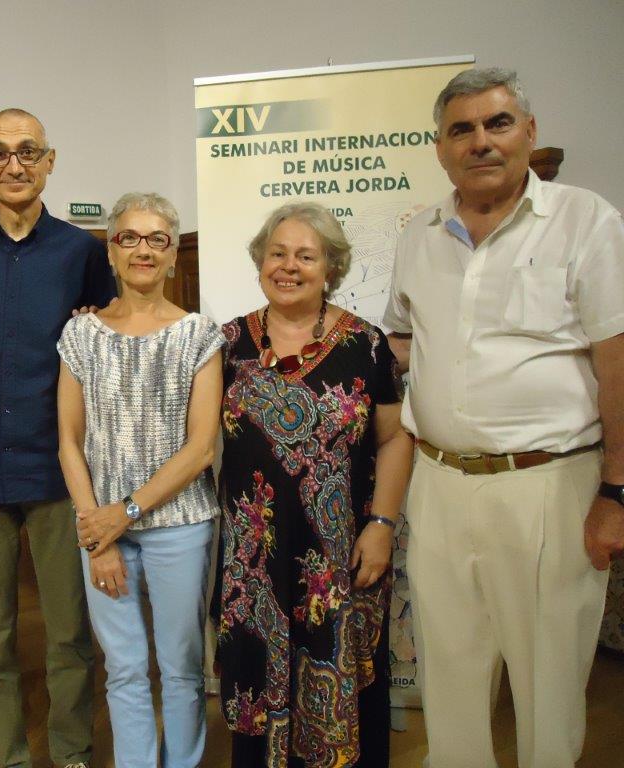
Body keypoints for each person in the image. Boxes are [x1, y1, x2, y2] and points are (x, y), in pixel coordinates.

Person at [384, 67, 624, 768]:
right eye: (462, 129)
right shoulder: (419, 234)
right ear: (440, 147)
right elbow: (401, 342)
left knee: (549, 674)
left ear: (530, 133)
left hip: (549, 486)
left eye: (498, 124)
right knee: (450, 670)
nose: (481, 142)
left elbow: (617, 365)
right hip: (439, 483)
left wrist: (616, 492)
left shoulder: (587, 220)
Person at [0, 108, 117, 768]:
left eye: (28, 151)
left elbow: (106, 345)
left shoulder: (83, 252)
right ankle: (7, 757)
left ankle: (70, 754)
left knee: (69, 633)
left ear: (50, 160)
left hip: (59, 473)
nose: (15, 164)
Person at [217, 202, 413, 768]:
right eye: (277, 253)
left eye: (306, 255)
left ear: (331, 267)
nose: (289, 266)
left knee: (345, 683)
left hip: (340, 556)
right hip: (254, 564)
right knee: (258, 688)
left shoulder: (366, 344)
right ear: (260, 261)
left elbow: (395, 439)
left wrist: (381, 525)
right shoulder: (227, 345)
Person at [57, 192, 223, 768]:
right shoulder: (80, 336)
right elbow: (68, 442)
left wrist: (122, 512)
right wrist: (95, 528)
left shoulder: (201, 335)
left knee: (180, 667)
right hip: (99, 529)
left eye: (158, 239)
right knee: (124, 668)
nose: (144, 250)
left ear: (175, 254)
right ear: (111, 252)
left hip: (180, 527)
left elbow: (200, 448)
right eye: (130, 237)